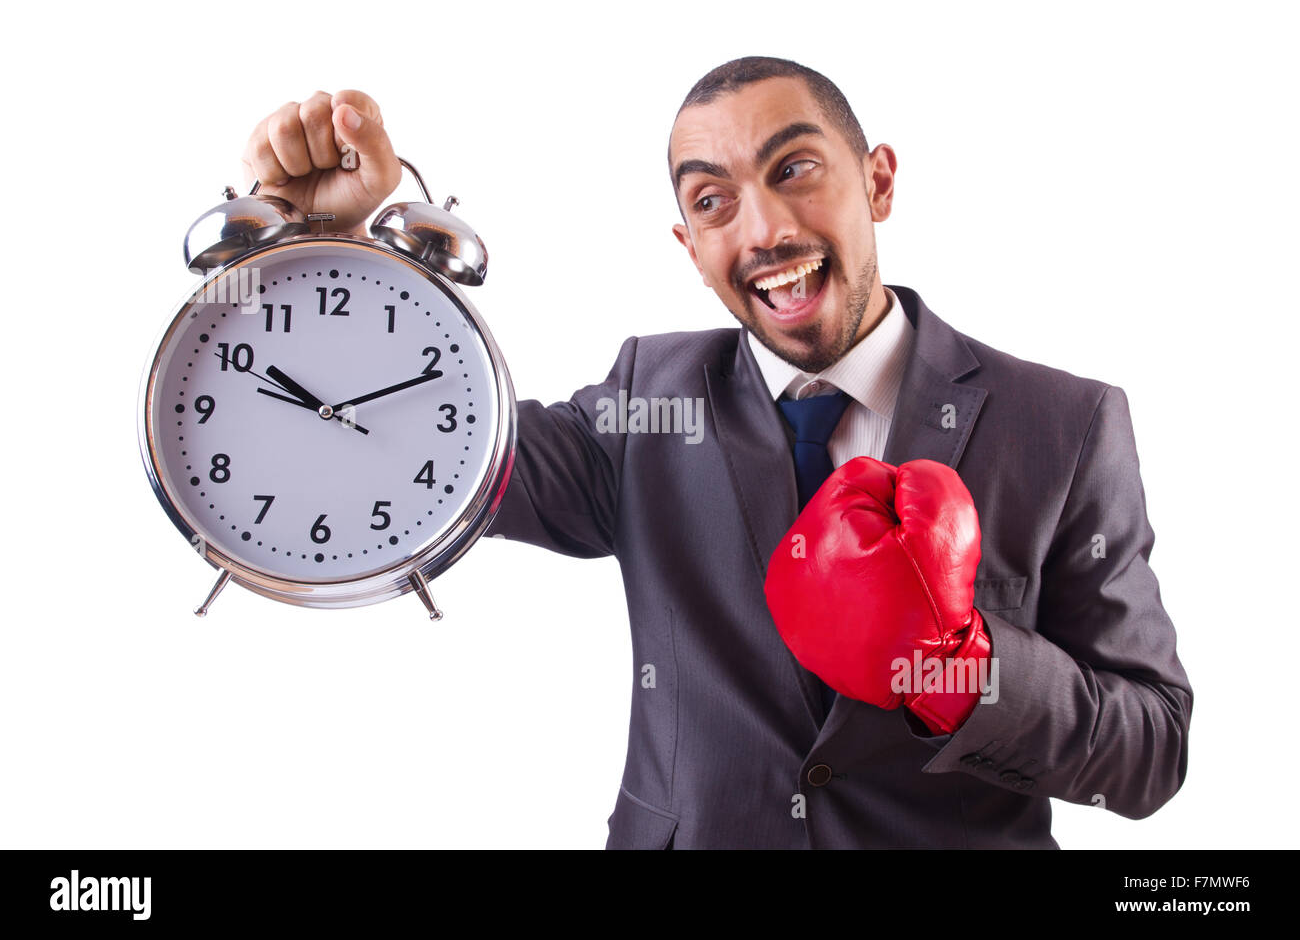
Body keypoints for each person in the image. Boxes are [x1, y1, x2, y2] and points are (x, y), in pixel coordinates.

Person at [241, 56, 1192, 849]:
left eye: (794, 170)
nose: (764, 230)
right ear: (687, 243)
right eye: (713, 200)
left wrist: (953, 669)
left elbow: (1151, 749)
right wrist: (327, 244)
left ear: (879, 180)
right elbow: (417, 449)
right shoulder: (648, 401)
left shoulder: (1061, 423)